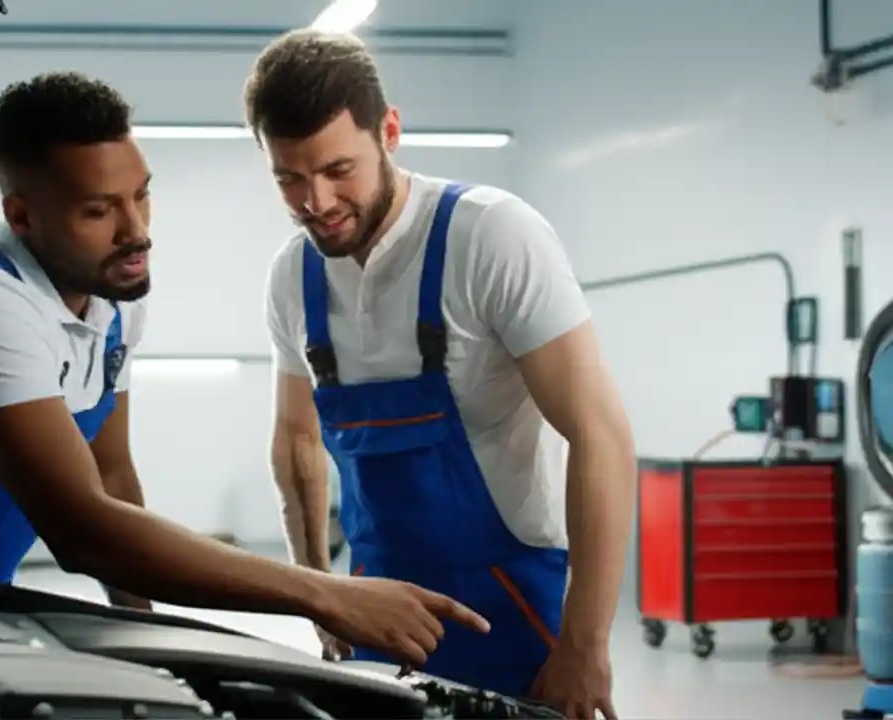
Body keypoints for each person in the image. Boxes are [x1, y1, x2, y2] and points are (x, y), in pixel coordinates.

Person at [0, 70, 489, 669]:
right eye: (99, 209)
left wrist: (141, 632)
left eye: (141, 194)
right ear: (21, 216)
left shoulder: (114, 298)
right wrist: (324, 592)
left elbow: (112, 481)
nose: (137, 230)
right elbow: (84, 530)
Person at [245, 30, 636, 719]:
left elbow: (600, 434)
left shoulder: (488, 236)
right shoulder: (293, 275)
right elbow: (297, 442)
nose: (317, 201)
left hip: (516, 609)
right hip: (374, 612)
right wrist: (317, 590)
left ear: (389, 130)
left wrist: (585, 644)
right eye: (290, 178)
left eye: (340, 169)